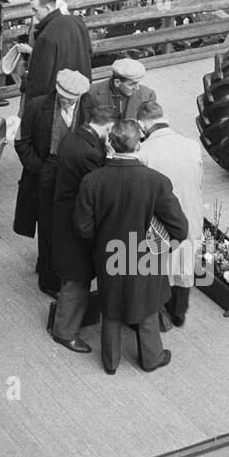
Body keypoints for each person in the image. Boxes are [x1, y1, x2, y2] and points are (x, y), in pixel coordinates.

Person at [74, 119, 188, 375]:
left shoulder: (92, 181)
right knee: (147, 306)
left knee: (111, 307)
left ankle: (110, 362)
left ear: (110, 144)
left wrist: (101, 244)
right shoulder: (157, 181)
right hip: (146, 255)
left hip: (108, 253)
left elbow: (83, 226)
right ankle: (151, 358)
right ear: (138, 144)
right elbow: (180, 227)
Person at [14, 70, 91, 298]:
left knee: (68, 226)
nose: (66, 101)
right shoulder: (37, 106)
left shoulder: (89, 109)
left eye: (72, 97)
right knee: (47, 226)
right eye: (63, 95)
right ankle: (47, 279)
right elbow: (22, 142)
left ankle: (57, 267)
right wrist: (39, 168)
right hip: (45, 173)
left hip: (75, 175)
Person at [49, 99, 118, 350]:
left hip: (64, 215)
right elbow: (96, 184)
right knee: (76, 279)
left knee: (73, 277)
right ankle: (65, 332)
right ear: (108, 127)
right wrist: (110, 157)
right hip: (76, 222)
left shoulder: (74, 137)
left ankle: (65, 323)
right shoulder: (89, 152)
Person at [136, 101, 203, 327]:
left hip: (160, 224)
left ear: (142, 126)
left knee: (161, 268)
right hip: (190, 215)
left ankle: (158, 313)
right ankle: (179, 312)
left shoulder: (143, 154)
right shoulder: (192, 146)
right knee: (184, 266)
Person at [20, 0, 93, 105]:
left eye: (35, 10)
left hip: (58, 98)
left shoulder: (45, 37)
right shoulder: (77, 21)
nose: (33, 14)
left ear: (48, 8)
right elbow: (89, 52)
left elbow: (40, 80)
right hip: (81, 91)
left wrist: (31, 108)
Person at [85, 57, 156, 123]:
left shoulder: (148, 95)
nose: (137, 88)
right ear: (117, 82)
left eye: (138, 83)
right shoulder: (91, 93)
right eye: (132, 84)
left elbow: (151, 126)